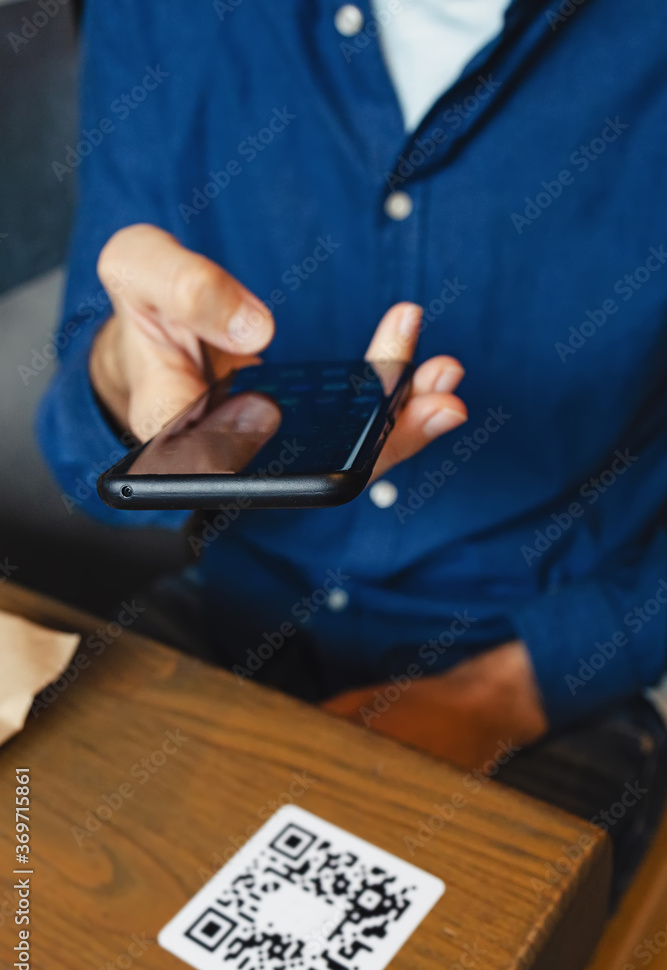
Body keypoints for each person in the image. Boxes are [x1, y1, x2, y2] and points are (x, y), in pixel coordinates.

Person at [39, 0, 667, 899]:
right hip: (237, 608)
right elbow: (82, 446)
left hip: (543, 662)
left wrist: (504, 695)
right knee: (43, 890)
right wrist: (123, 382)